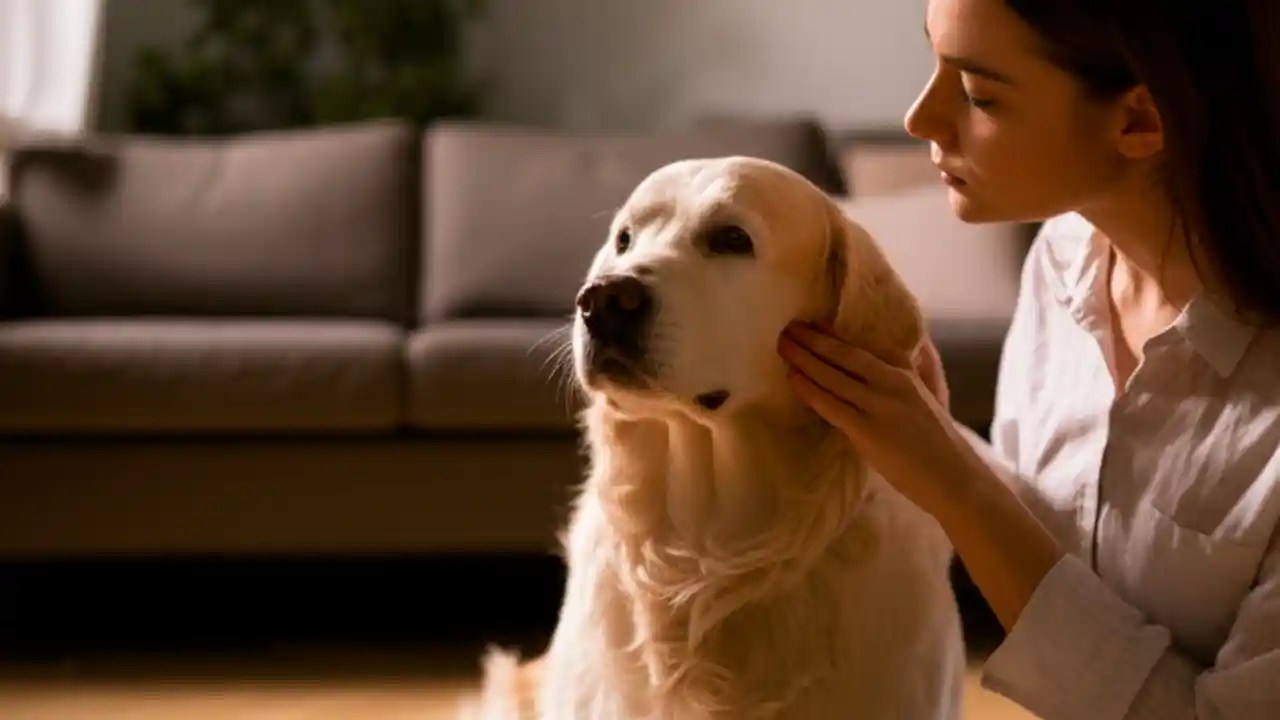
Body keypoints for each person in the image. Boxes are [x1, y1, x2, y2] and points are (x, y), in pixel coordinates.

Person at [776, 0, 1280, 717]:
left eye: (979, 94)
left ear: (1140, 119)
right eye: (933, 62)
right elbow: (1055, 536)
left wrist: (951, 478)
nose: (919, 119)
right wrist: (928, 439)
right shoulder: (1063, 257)